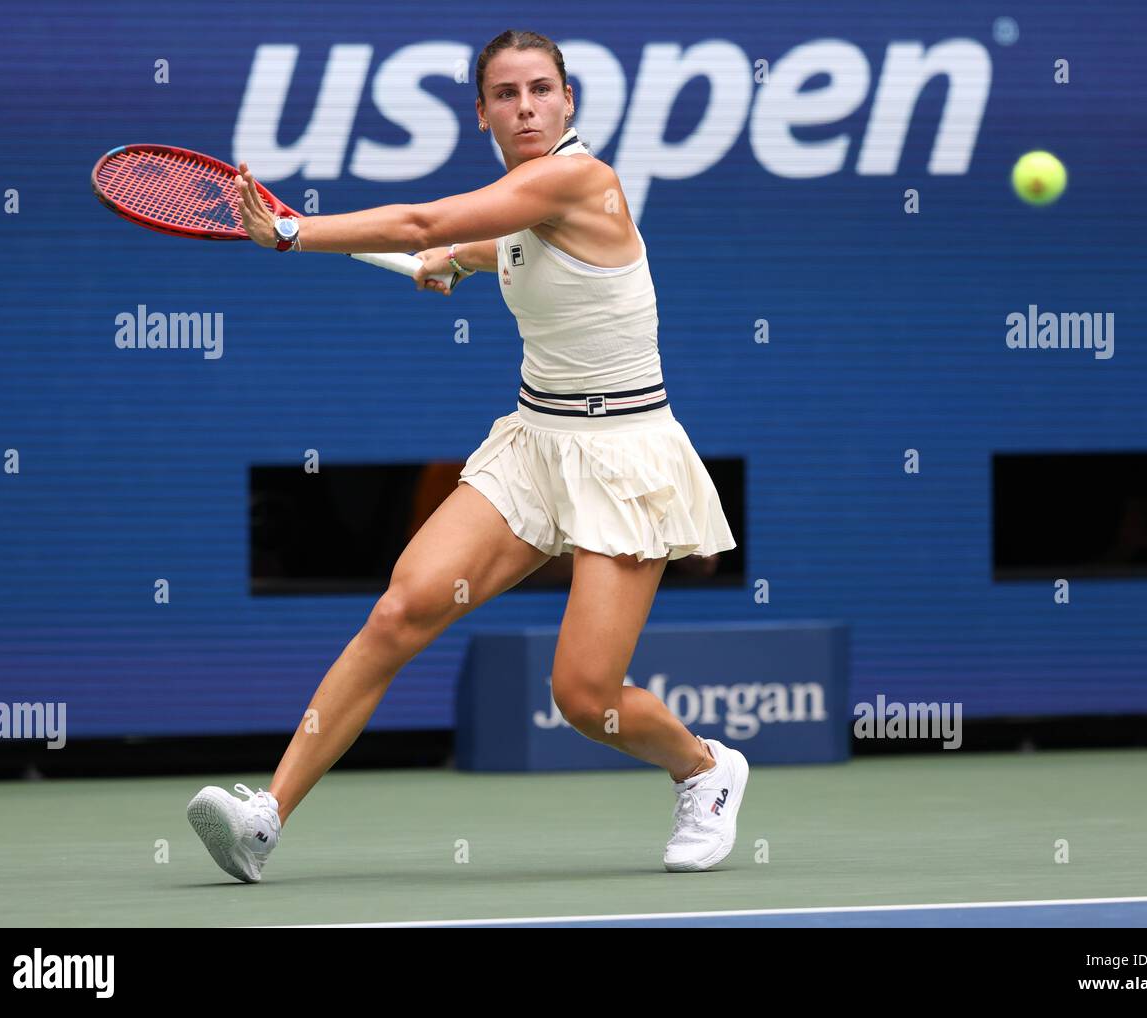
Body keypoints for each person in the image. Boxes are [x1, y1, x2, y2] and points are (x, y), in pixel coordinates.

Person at [186, 29, 744, 883]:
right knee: (400, 610)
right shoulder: (529, 207)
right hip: (534, 443)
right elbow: (493, 244)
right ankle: (265, 816)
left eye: (541, 90)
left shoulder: (578, 178)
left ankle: (704, 769)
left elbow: (423, 220)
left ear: (568, 102)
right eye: (507, 93)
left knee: (583, 698)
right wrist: (460, 262)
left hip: (624, 455)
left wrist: (296, 231)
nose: (525, 107)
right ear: (481, 109)